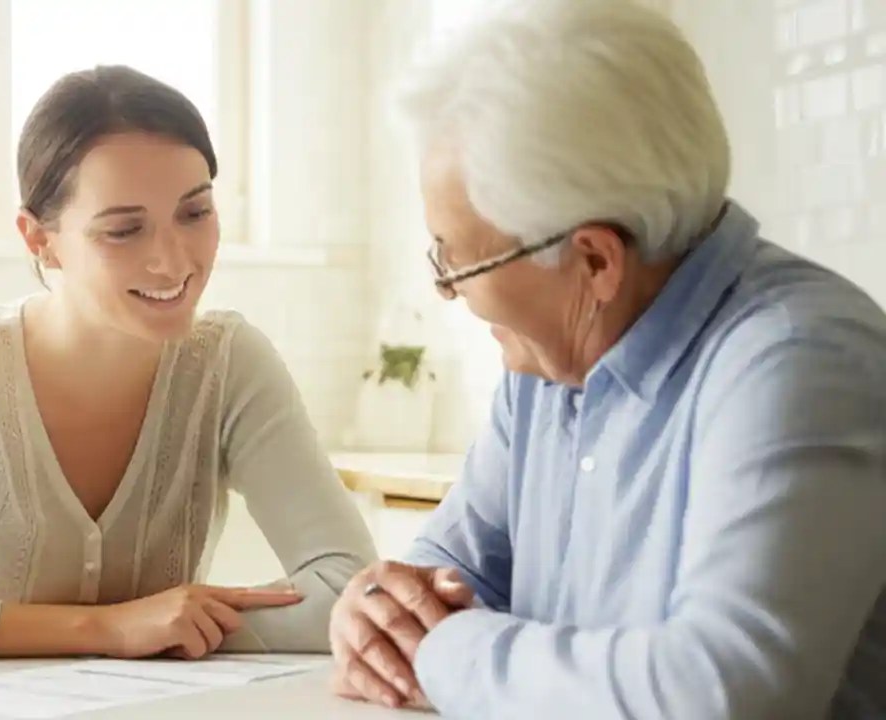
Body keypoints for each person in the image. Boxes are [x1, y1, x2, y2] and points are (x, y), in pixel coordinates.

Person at [328, 1, 886, 717]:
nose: (448, 292)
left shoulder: (800, 359)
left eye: (456, 262)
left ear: (594, 260)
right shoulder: (548, 363)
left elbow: (717, 693)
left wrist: (443, 652)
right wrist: (375, 610)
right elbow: (439, 578)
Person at [0, 65, 376, 661]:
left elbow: (352, 589)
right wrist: (106, 630)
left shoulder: (229, 363)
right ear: (39, 239)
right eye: (123, 231)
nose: (173, 261)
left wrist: (177, 626)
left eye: (194, 214)